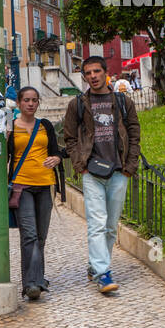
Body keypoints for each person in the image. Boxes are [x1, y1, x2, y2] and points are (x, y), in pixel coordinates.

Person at [63, 55, 142, 294]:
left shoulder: (122, 101)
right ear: (84, 77)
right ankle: (103, 273)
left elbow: (134, 133)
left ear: (106, 72)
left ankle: (95, 264)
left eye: (97, 71)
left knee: (110, 226)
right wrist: (80, 165)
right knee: (96, 224)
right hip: (92, 172)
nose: (93, 76)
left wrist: (130, 166)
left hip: (119, 170)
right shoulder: (77, 104)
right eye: (88, 73)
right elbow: (69, 138)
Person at [7, 87, 65, 302]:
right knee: (29, 235)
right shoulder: (11, 128)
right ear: (19, 103)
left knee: (40, 237)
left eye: (34, 100)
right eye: (26, 100)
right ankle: (31, 284)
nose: (30, 104)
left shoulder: (45, 126)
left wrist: (57, 159)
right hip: (22, 186)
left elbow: (56, 151)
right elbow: (4, 156)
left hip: (45, 184)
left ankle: (37, 278)